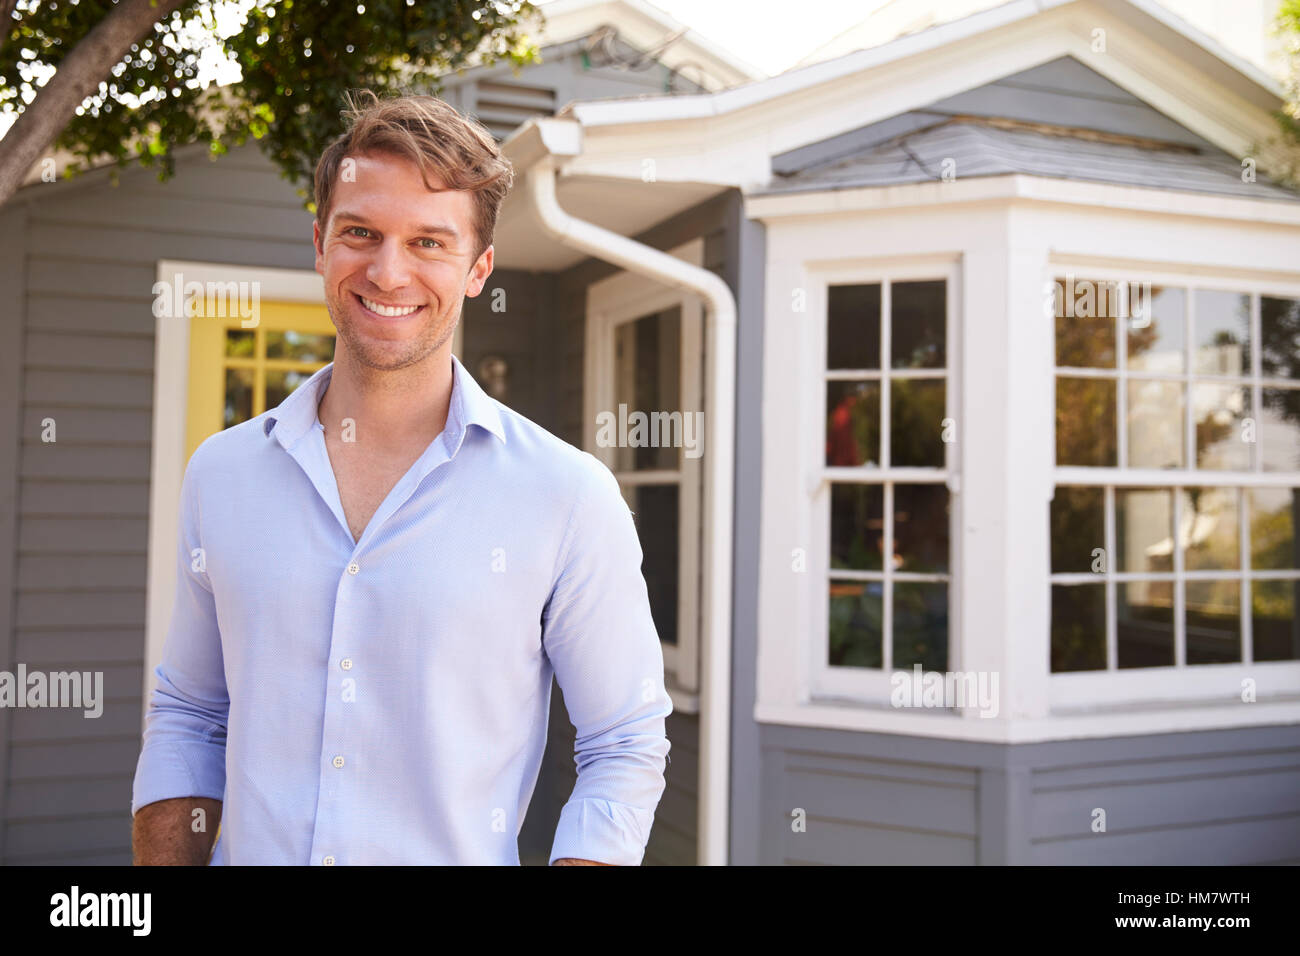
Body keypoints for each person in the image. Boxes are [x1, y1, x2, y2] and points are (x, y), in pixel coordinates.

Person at [130, 90, 672, 866]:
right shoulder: (223, 475)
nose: (388, 272)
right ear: (321, 243)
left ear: (478, 267)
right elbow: (189, 713)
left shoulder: (567, 497)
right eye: (361, 232)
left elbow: (623, 744)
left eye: (428, 242)